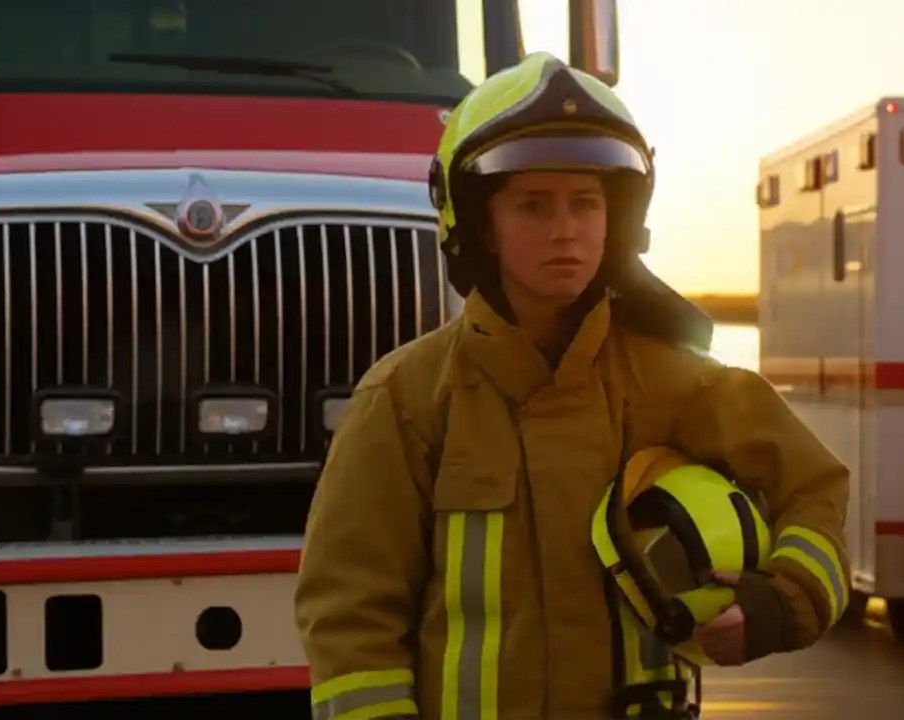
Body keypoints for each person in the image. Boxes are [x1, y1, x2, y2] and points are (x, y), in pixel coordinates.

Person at [294, 51, 850, 720]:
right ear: (481, 226)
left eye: (586, 203)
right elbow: (350, 619)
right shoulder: (406, 401)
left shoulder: (677, 383)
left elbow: (815, 487)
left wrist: (780, 602)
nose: (566, 231)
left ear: (616, 220)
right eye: (534, 205)